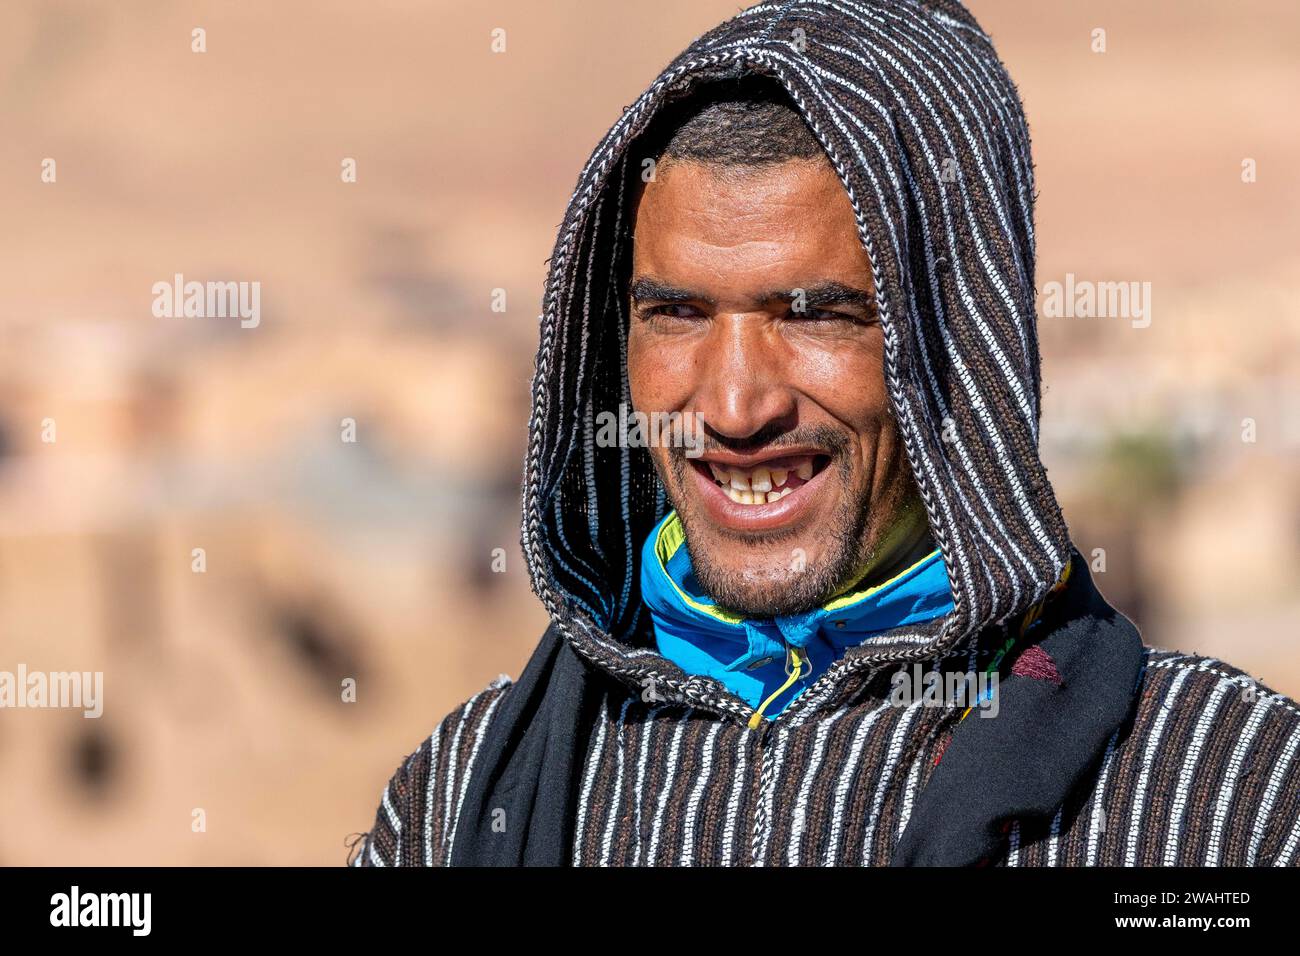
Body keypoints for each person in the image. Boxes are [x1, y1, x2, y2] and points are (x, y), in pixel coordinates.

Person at [352, 0, 1300, 867]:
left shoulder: (1221, 804)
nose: (732, 407)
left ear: (958, 338)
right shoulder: (458, 806)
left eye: (814, 316)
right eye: (676, 313)